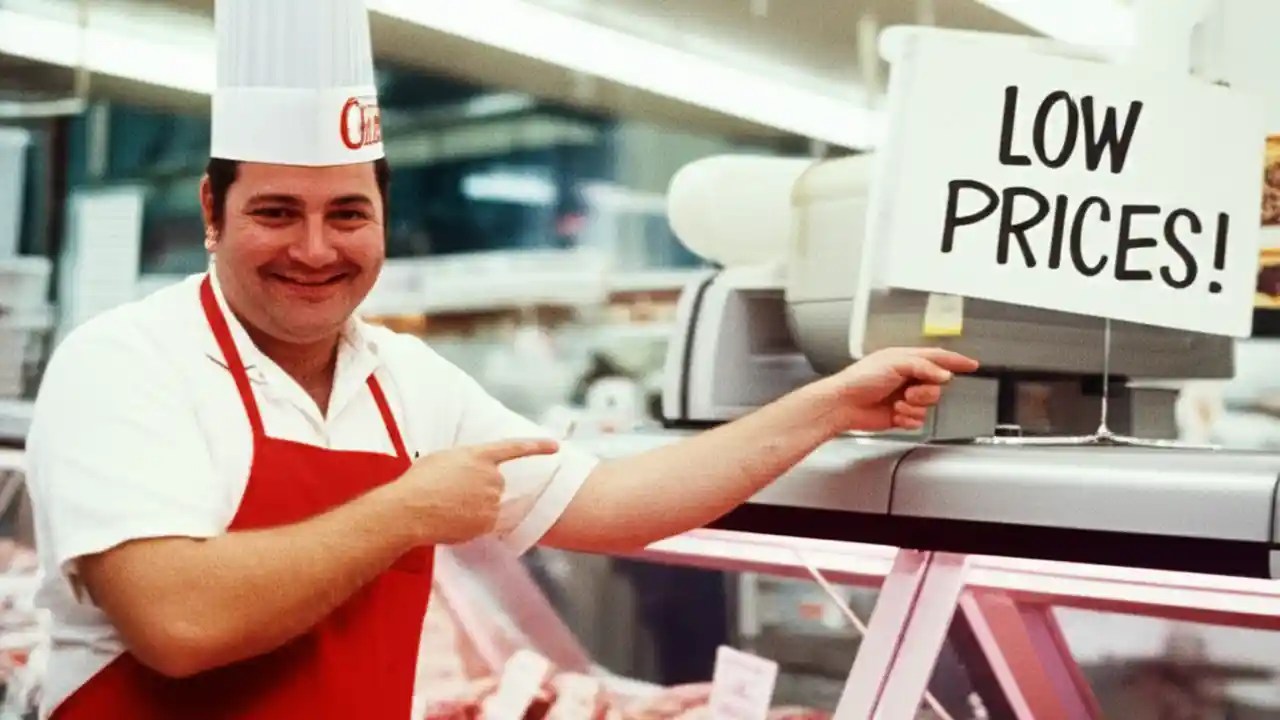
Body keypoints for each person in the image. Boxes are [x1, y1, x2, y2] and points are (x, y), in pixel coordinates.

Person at [21, 1, 979, 718]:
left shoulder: (407, 379)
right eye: (277, 212)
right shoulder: (127, 362)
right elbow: (179, 626)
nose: (315, 249)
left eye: (347, 213)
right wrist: (405, 511)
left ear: (383, 220)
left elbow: (617, 503)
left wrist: (826, 402)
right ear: (210, 213)